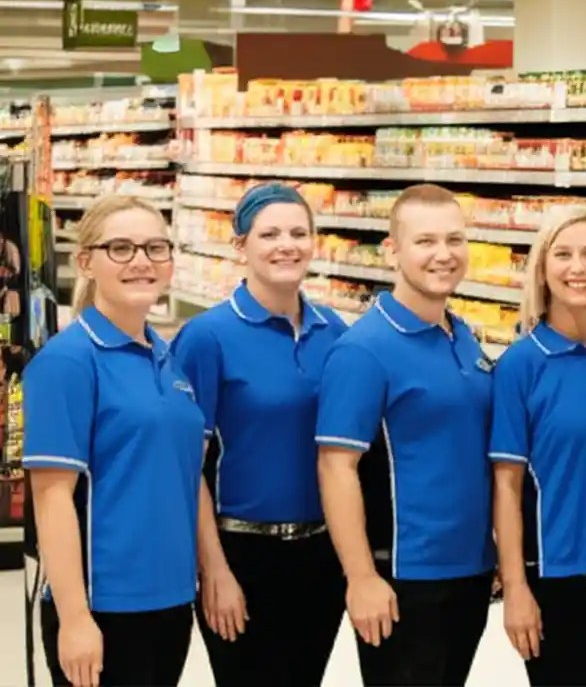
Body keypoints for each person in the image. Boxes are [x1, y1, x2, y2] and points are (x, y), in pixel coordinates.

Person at [315, 184, 494, 686]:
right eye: (426, 241)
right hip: (405, 576)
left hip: (471, 570)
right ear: (393, 250)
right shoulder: (364, 350)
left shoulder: (463, 337)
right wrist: (361, 578)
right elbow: (336, 466)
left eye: (455, 240)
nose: (444, 255)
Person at [170, 182, 348, 686]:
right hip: (242, 554)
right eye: (268, 233)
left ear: (315, 241)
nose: (285, 245)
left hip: (319, 556)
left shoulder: (335, 333)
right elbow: (188, 468)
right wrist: (215, 570)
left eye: (298, 232)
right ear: (240, 246)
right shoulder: (208, 337)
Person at [23, 196, 204, 687]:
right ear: (86, 262)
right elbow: (52, 495)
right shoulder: (68, 362)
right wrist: (76, 618)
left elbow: (189, 478)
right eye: (120, 248)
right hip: (103, 605)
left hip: (169, 600)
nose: (141, 260)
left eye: (154, 247)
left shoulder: (167, 356)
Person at [489, 204, 586, 686]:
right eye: (563, 254)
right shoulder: (521, 364)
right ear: (542, 268)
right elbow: (507, 486)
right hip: (553, 574)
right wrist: (515, 587)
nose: (578, 268)